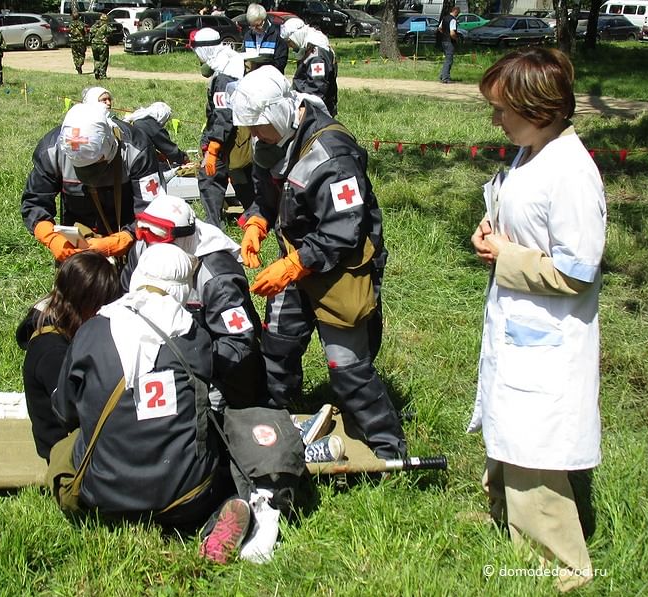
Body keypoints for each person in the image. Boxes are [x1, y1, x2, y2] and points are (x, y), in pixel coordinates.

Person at [468, 47, 606, 592]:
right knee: (510, 424)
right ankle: (505, 515)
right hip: (517, 318)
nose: (495, 119)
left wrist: (504, 254)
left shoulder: (572, 173)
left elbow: (578, 270)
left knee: (537, 444)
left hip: (548, 332)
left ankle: (560, 563)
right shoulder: (532, 153)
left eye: (503, 109)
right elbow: (519, 213)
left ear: (540, 109)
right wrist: (491, 228)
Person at [229, 66, 406, 460]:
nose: (255, 136)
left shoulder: (334, 155)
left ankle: (388, 447)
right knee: (276, 347)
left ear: (279, 113)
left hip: (339, 268)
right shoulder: (272, 142)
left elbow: (345, 230)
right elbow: (266, 195)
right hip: (297, 259)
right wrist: (256, 222)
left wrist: (294, 266)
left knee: (348, 368)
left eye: (259, 127)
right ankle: (280, 424)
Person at [52, 243, 252, 560]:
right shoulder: (193, 337)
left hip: (104, 494)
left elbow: (63, 412)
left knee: (63, 450)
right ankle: (212, 525)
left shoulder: (92, 331)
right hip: (186, 497)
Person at [120, 194, 267, 409]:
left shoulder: (217, 279)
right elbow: (125, 296)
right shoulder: (144, 248)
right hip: (157, 360)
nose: (155, 252)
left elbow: (238, 345)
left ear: (184, 239)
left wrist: (188, 358)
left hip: (217, 375)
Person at [21, 98, 164, 262]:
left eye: (96, 165)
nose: (90, 177)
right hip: (76, 240)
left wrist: (125, 238)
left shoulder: (136, 149)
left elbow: (153, 209)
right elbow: (34, 202)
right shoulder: (51, 151)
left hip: (129, 233)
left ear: (109, 143)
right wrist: (52, 238)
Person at [16, 251, 121, 461]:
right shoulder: (52, 352)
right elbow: (74, 412)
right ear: (87, 304)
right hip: (64, 449)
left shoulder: (63, 326)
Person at [192, 28, 253, 228]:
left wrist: (212, 149)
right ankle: (255, 216)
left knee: (210, 179)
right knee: (242, 178)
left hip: (229, 138)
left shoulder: (224, 77)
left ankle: (213, 227)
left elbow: (223, 115)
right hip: (241, 135)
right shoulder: (231, 62)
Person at [279, 18, 338, 116]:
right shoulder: (309, 47)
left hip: (317, 111)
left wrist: (300, 104)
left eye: (289, 41)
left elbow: (316, 89)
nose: (290, 46)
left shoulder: (316, 57)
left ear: (296, 36)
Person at [123, 102, 190, 167]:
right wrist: (184, 158)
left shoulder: (137, 120)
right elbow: (169, 148)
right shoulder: (149, 125)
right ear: (162, 116)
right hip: (136, 164)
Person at [241, 4, 288, 73]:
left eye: (258, 25)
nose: (255, 29)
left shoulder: (277, 34)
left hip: (270, 78)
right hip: (250, 78)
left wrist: (260, 65)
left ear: (265, 20)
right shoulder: (248, 35)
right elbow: (243, 56)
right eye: (252, 26)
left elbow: (281, 63)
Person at [438, 6, 460, 84]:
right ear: (455, 11)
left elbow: (440, 28)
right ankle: (445, 78)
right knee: (449, 60)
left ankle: (442, 75)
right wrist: (456, 38)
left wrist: (444, 34)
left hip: (443, 41)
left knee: (447, 59)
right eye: (458, 12)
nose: (458, 14)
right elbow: (452, 33)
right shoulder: (453, 20)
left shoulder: (444, 18)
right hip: (449, 42)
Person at [90, 13, 111, 80]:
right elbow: (110, 31)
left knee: (96, 59)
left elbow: (91, 32)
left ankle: (96, 71)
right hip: (102, 45)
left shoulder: (94, 25)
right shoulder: (105, 26)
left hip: (94, 44)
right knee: (103, 60)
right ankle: (102, 75)